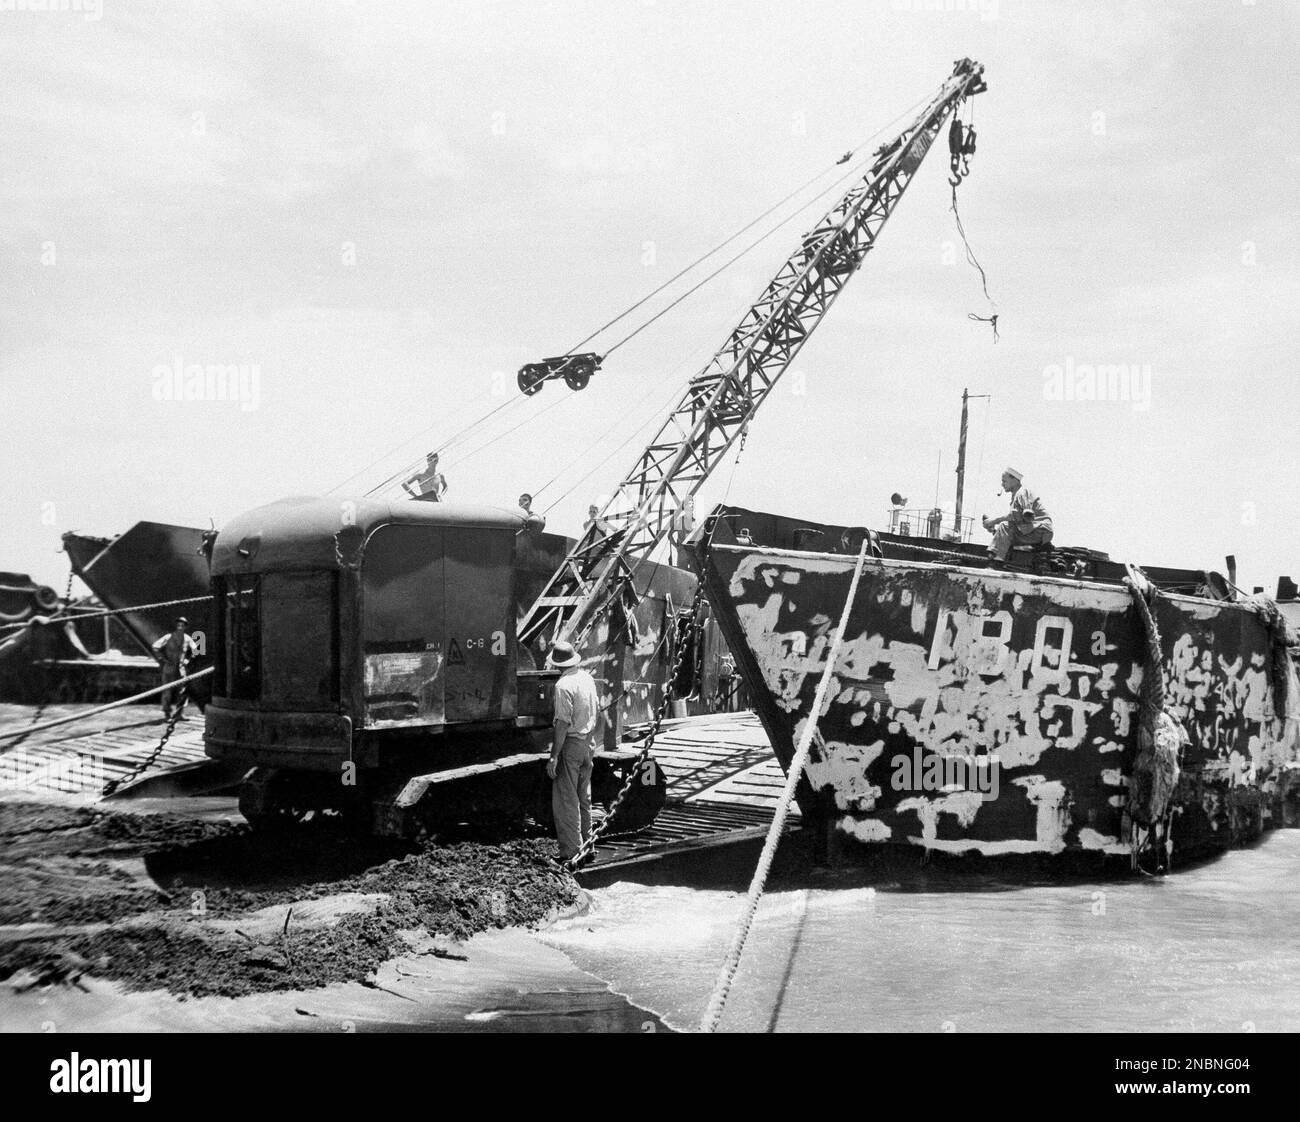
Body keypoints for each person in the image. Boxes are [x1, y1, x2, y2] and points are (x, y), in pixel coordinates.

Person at [546, 639, 599, 864]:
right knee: (583, 798)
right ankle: (589, 846)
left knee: (567, 800)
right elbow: (596, 707)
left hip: (571, 744)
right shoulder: (587, 678)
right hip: (588, 743)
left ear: (557, 664)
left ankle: (571, 853)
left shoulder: (563, 685)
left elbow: (562, 724)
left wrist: (554, 756)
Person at [983, 467, 1053, 563]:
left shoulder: (1022, 492)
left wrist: (993, 521)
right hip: (1036, 531)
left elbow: (1019, 516)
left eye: (1004, 481)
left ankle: (997, 561)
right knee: (1004, 530)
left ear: (1014, 480)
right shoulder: (1018, 494)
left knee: (1004, 526)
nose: (1002, 484)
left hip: (1040, 530)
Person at [151, 616, 199, 720]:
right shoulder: (168, 637)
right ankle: (167, 714)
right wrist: (163, 658)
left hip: (181, 669)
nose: (180, 627)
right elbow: (155, 646)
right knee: (167, 692)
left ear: (185, 627)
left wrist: (188, 660)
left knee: (182, 691)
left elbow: (196, 650)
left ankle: (179, 713)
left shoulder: (187, 638)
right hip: (169, 668)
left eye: (182, 625)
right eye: (178, 625)